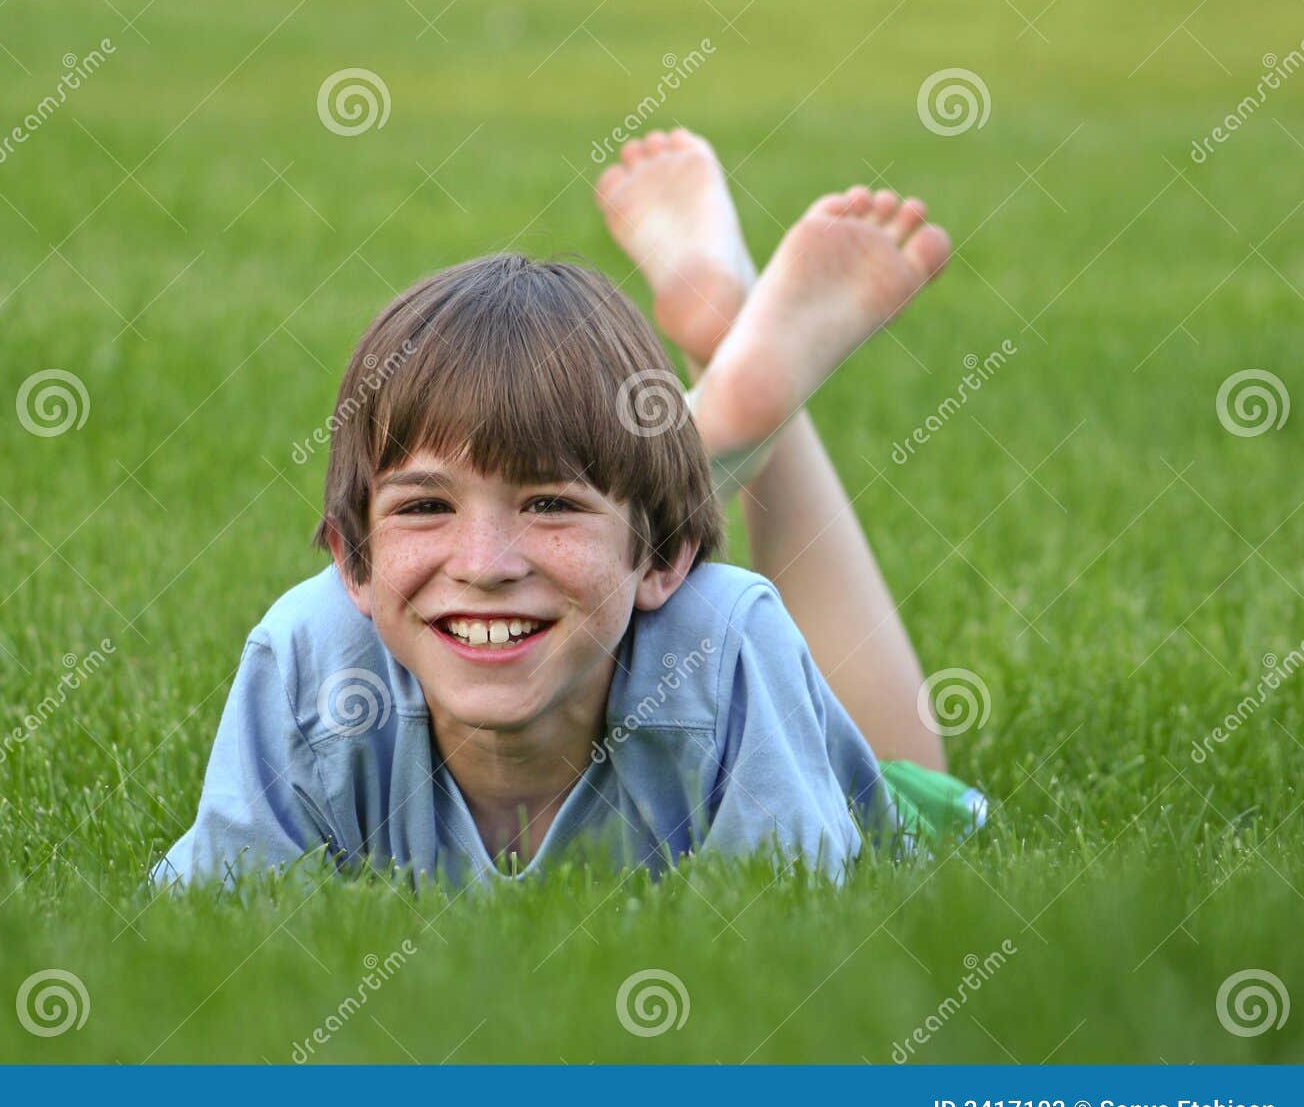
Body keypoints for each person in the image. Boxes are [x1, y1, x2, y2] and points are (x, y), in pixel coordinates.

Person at [153, 128, 981, 888]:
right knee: (632, 482)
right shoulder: (312, 664)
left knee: (905, 778)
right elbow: (212, 928)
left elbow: (798, 929)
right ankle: (729, 399)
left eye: (549, 502)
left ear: (663, 561)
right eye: (426, 506)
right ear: (352, 561)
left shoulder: (720, 644)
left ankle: (748, 402)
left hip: (772, 709)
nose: (484, 565)